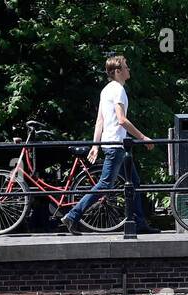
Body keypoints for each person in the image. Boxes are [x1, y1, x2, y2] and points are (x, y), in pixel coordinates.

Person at [63, 54, 158, 235]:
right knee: (105, 184)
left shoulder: (106, 90)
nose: (129, 69)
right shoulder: (118, 90)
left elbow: (100, 121)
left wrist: (96, 145)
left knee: (134, 182)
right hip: (116, 145)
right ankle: (73, 215)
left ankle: (139, 222)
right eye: (126, 66)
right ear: (117, 71)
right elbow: (122, 120)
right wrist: (143, 138)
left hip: (112, 144)